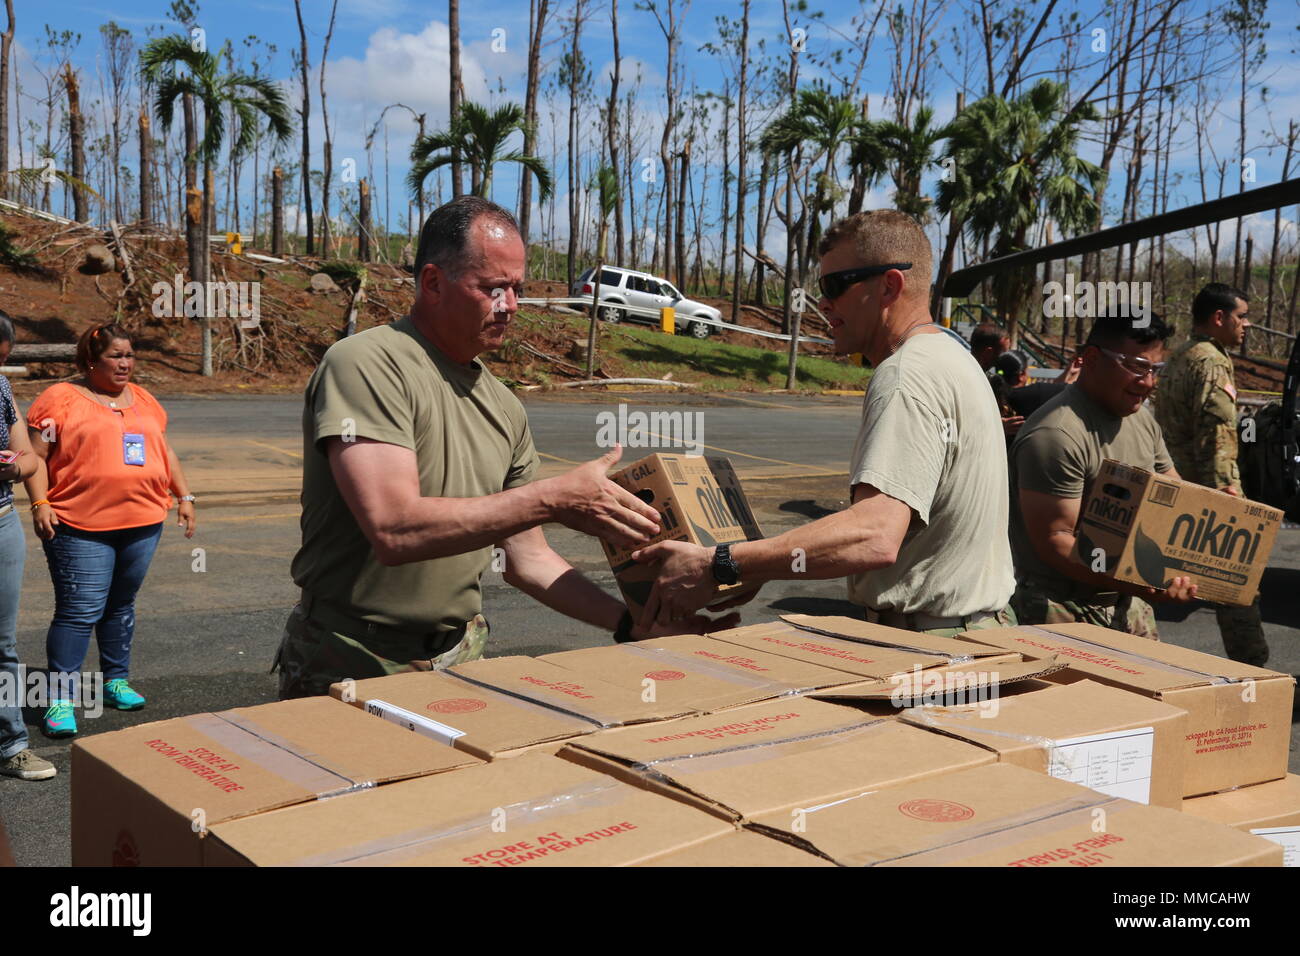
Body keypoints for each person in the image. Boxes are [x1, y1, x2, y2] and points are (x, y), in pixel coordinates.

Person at [274, 196, 729, 700]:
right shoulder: (366, 365)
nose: (510, 306)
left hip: (458, 656)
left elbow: (526, 559)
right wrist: (553, 498)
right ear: (432, 283)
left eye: (517, 288)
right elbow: (394, 529)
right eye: (492, 288)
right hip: (350, 659)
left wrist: (630, 624)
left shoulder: (503, 405)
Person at [630, 209, 1016, 637]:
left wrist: (722, 562)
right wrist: (761, 565)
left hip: (933, 644)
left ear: (890, 285)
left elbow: (874, 534)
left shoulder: (905, 375)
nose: (823, 303)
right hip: (978, 630)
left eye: (835, 285)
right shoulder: (953, 357)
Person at [23, 323, 196, 737]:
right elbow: (36, 455)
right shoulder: (59, 399)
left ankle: (114, 680)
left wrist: (185, 496)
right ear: (90, 360)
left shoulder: (145, 399)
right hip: (79, 524)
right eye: (115, 356)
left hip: (143, 521)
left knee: (121, 605)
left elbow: (162, 448)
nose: (125, 363)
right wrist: (40, 502)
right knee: (80, 610)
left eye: (130, 355)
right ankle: (61, 698)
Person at [1009, 312, 1197, 637]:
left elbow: (1173, 493)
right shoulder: (1056, 434)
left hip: (1129, 603)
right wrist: (1142, 582)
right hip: (1060, 612)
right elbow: (1056, 541)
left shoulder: (1142, 420)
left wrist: (1214, 513)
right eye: (1138, 366)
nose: (1149, 382)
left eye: (1155, 370)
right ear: (1093, 358)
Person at [1154, 283, 1267, 665]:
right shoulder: (1213, 361)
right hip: (1210, 497)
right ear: (1219, 318)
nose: (1246, 325)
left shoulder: (1179, 355)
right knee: (1239, 589)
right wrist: (1229, 501)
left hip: (1179, 486)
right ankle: (1254, 674)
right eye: (1241, 316)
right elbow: (1216, 436)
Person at [0, 314, 56, 779]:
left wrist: (13, 467)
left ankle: (11, 744)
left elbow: (28, 456)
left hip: (1, 524)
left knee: (2, 645)